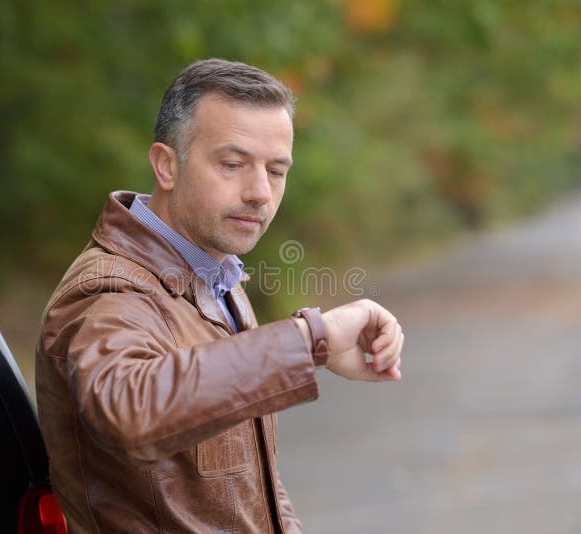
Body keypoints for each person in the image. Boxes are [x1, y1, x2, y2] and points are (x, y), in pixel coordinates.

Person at [35, 58, 404, 533]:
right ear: (167, 165)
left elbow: (253, 490)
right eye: (232, 164)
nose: (260, 192)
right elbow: (130, 411)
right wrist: (311, 339)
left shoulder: (216, 278)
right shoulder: (110, 289)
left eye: (276, 171)